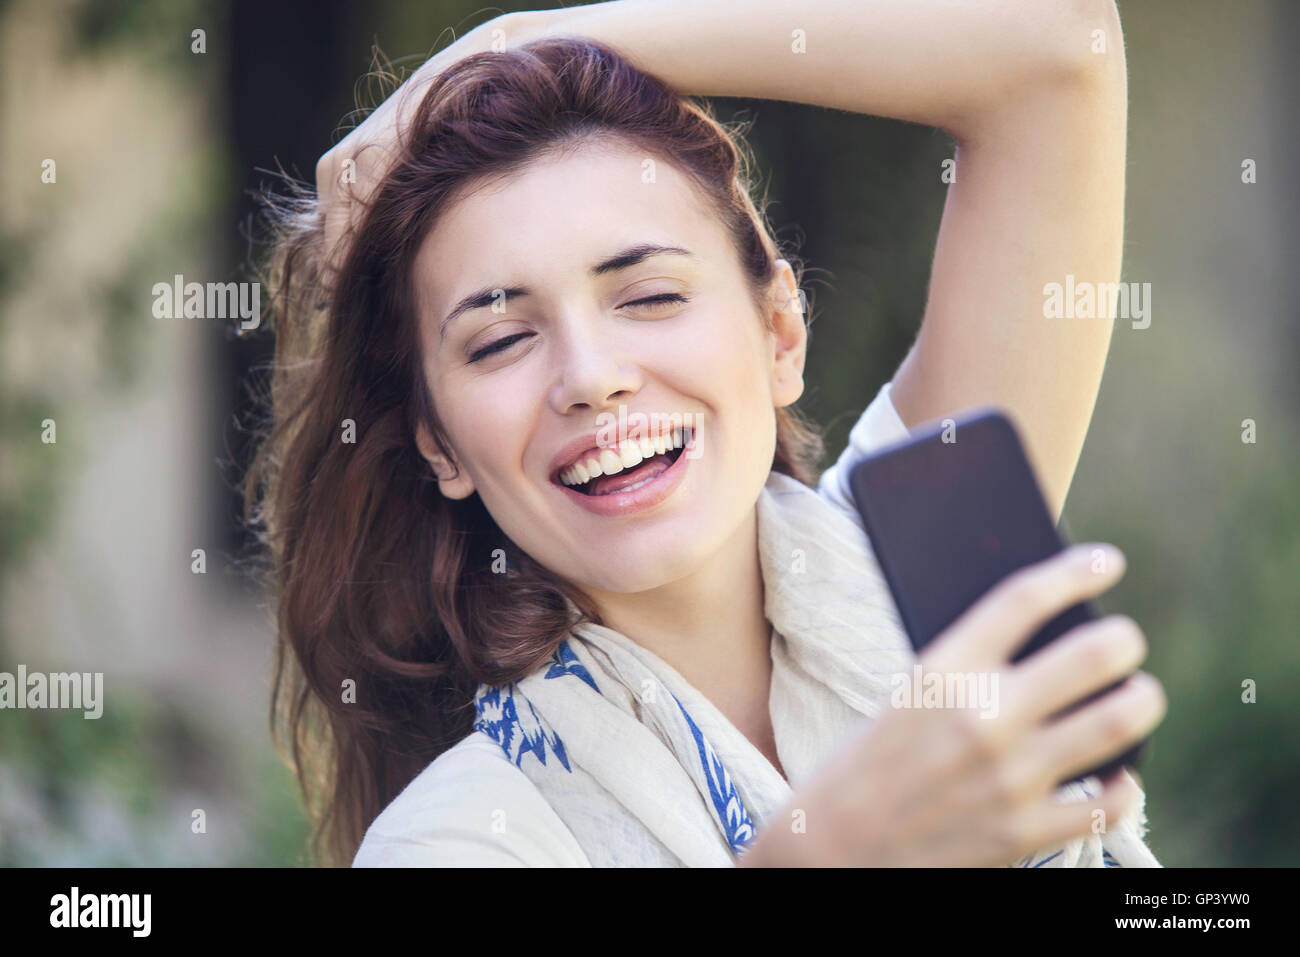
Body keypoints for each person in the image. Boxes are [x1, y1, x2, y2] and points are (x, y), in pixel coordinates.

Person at [245, 0, 1166, 867]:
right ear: (440, 445)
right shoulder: (461, 839)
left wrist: (537, 36)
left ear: (779, 334)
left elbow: (1055, 49)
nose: (590, 376)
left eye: (648, 296)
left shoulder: (929, 557)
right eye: (501, 339)